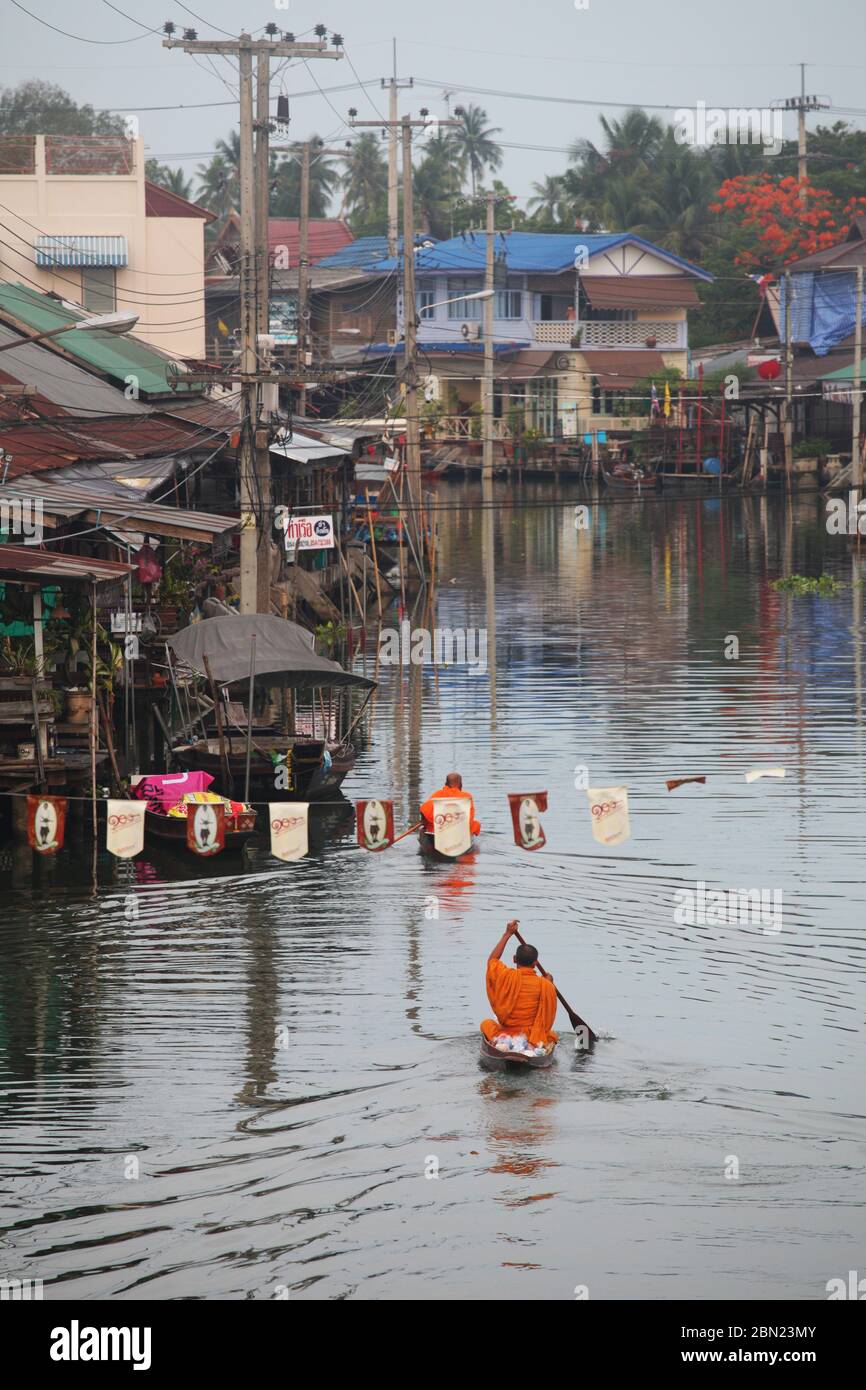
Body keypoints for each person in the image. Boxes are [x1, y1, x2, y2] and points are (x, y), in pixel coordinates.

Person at [480, 920, 558, 1050]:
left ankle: (501, 1046)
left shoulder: (506, 976)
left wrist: (507, 934)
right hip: (533, 1036)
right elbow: (547, 1015)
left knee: (486, 1024)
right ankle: (532, 1048)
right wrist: (550, 984)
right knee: (551, 1035)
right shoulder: (545, 985)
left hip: (506, 1033)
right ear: (535, 964)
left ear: (515, 959)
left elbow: (492, 961)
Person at [420, 772, 480, 836]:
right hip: (460, 831)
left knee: (424, 827)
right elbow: (470, 817)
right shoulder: (466, 796)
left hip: (438, 830)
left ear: (446, 784)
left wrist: (424, 821)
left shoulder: (437, 794)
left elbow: (424, 809)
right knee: (476, 825)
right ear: (461, 784)